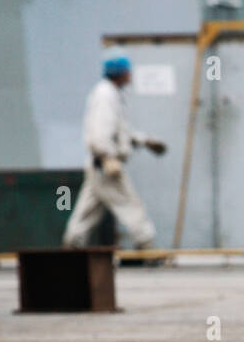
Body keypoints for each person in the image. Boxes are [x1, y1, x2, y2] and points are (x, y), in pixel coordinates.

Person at [63, 54, 167, 251]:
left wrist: (143, 140)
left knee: (87, 212)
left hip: (98, 165)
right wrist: (107, 156)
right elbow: (101, 130)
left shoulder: (111, 93)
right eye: (128, 71)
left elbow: (119, 131)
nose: (130, 74)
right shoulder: (106, 95)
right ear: (120, 73)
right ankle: (147, 246)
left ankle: (72, 245)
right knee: (130, 205)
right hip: (106, 164)